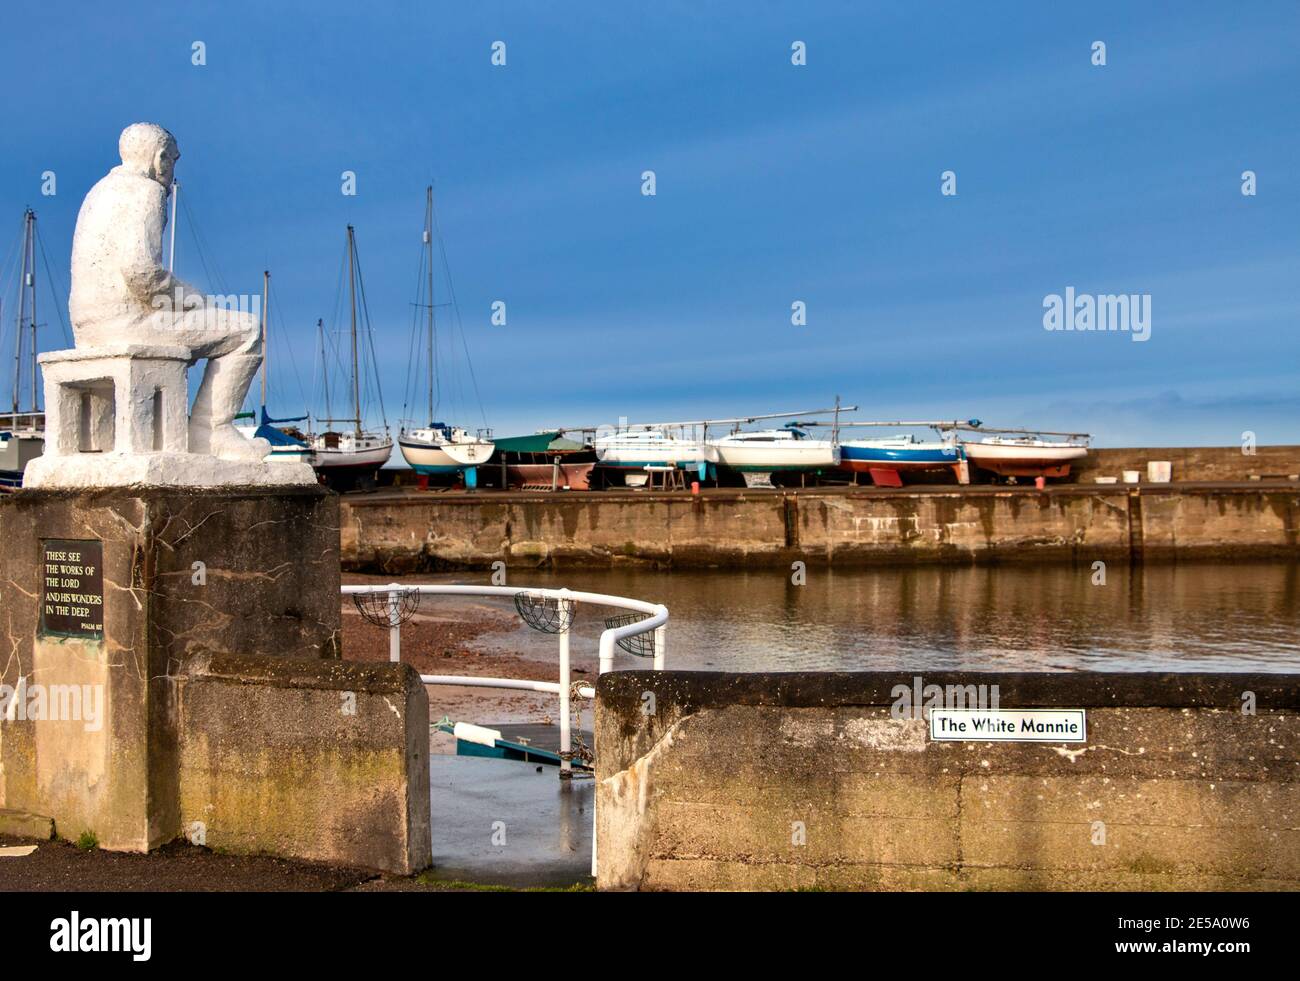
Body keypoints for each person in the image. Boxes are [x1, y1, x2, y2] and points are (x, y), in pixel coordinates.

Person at [69, 122, 268, 462]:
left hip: (88, 329)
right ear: (160, 159)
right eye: (174, 160)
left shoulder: (98, 192)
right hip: (129, 326)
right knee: (247, 329)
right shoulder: (147, 192)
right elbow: (141, 273)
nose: (173, 171)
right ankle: (210, 432)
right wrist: (193, 300)